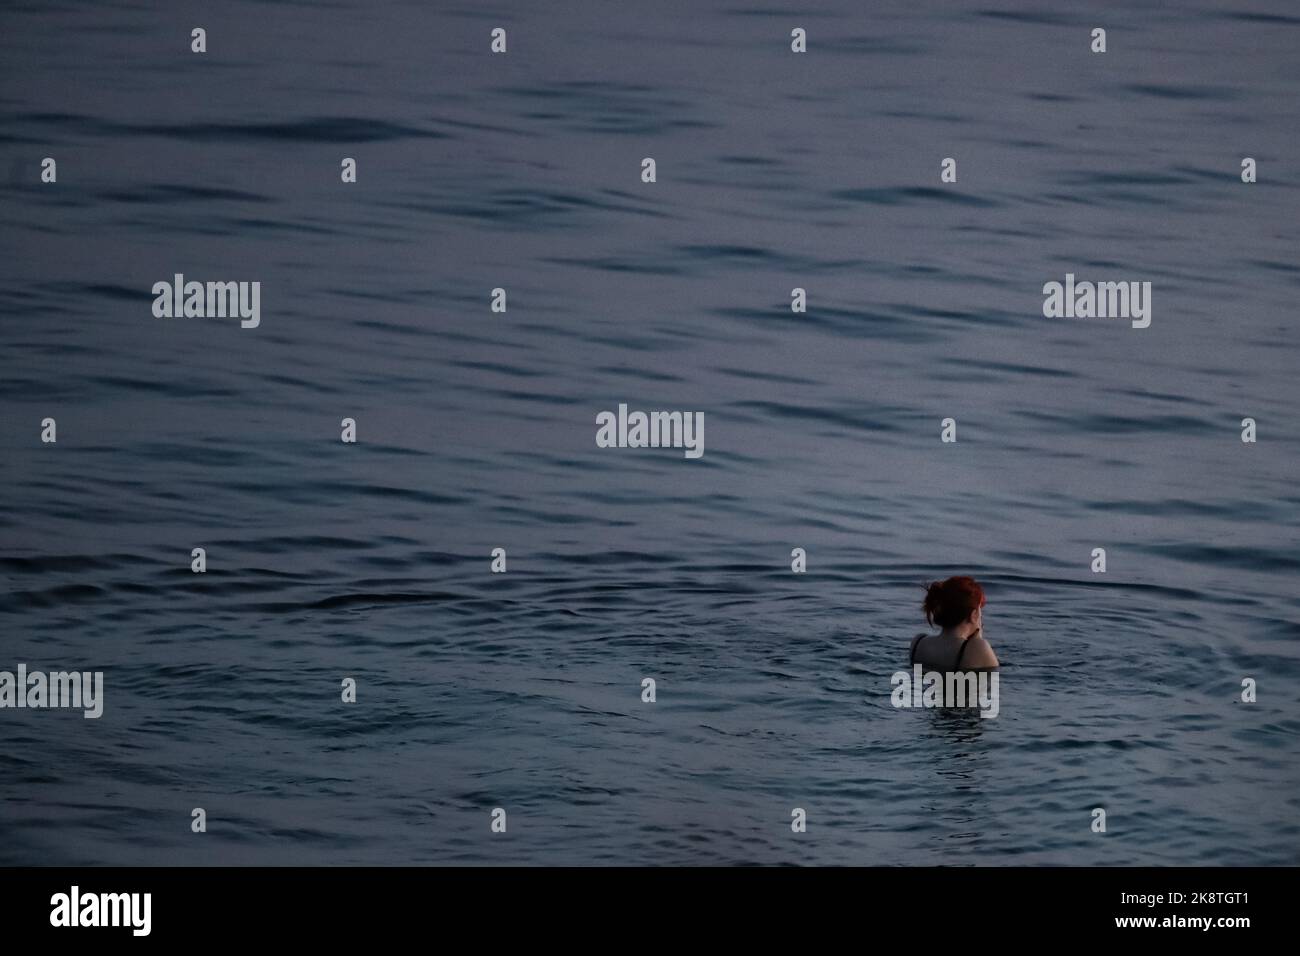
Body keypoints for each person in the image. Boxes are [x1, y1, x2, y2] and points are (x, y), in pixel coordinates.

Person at [909, 576, 999, 672]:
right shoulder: (978, 648)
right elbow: (992, 682)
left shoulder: (918, 643)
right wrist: (978, 640)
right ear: (974, 615)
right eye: (980, 610)